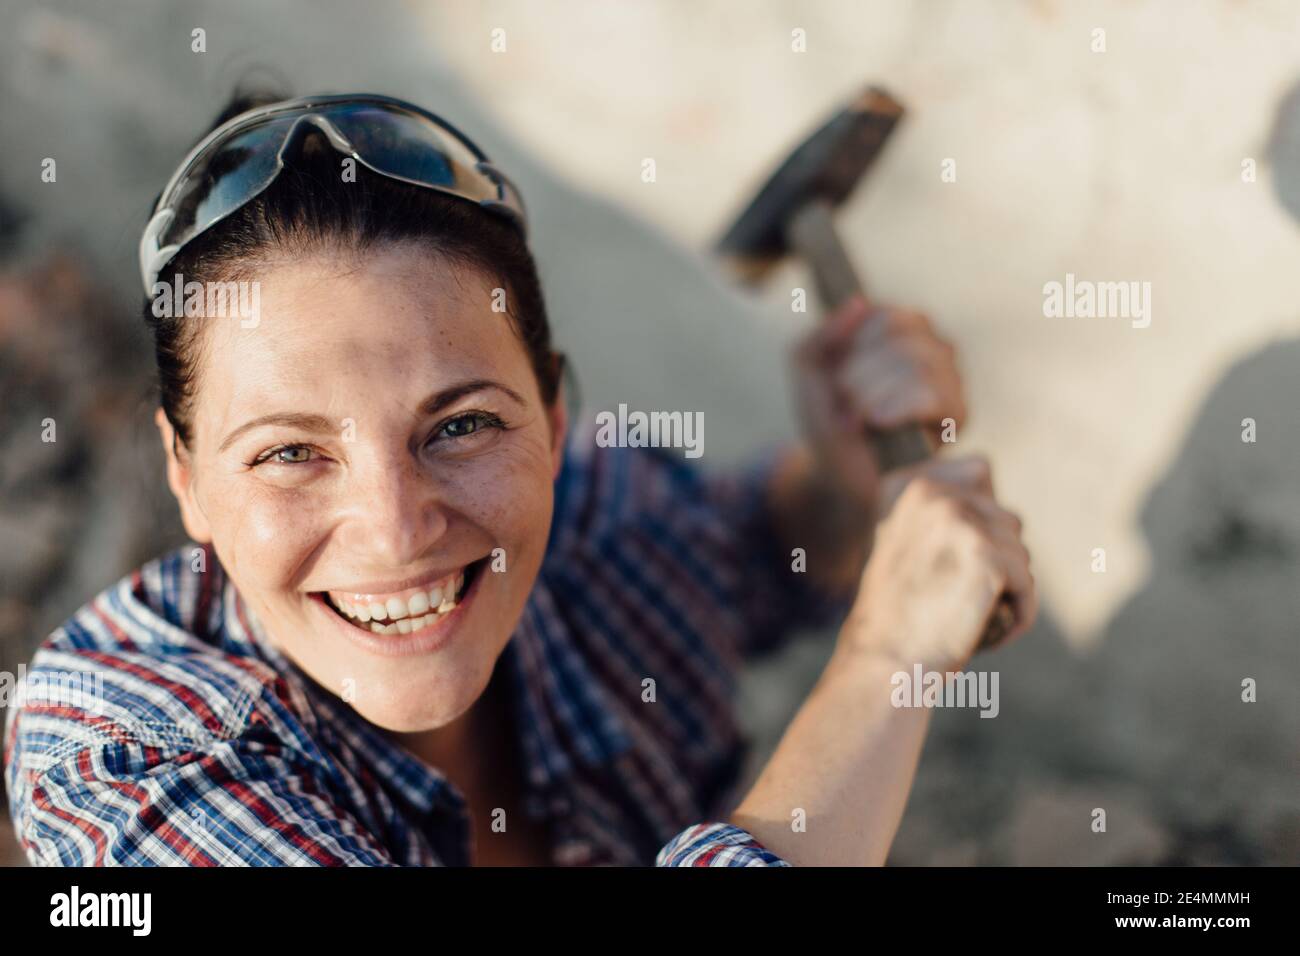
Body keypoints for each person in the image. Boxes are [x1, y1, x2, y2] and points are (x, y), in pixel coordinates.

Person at [3, 90, 1036, 866]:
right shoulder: (120, 760)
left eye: (457, 425)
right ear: (185, 478)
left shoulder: (595, 519)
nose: (397, 528)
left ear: (550, 419)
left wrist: (842, 486)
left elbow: (750, 556)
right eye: (288, 451)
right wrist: (891, 652)